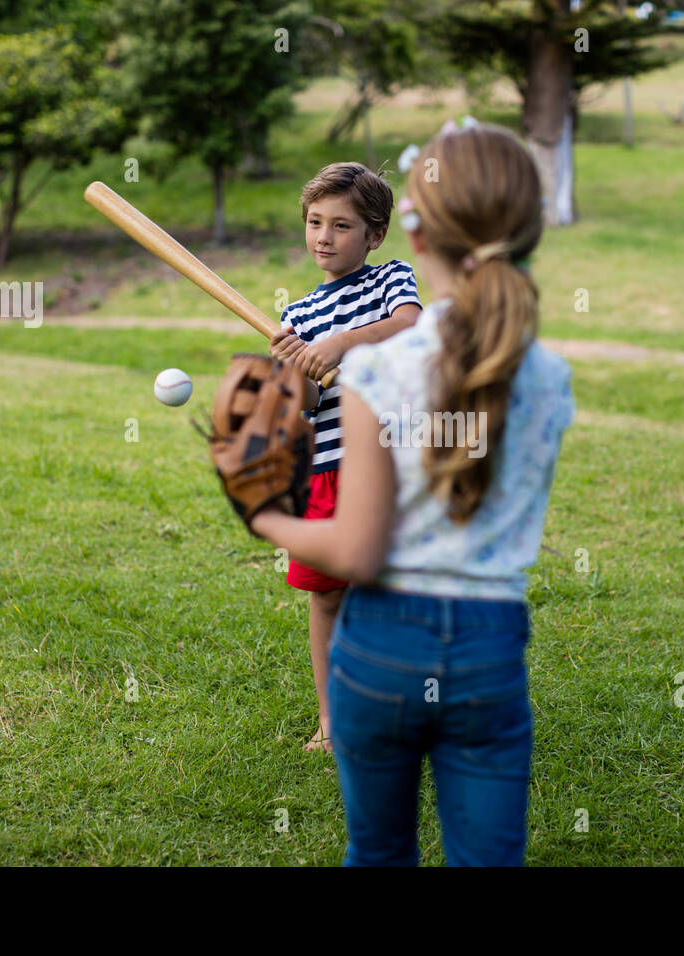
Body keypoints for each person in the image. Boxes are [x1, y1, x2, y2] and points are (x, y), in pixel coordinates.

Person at [251, 124, 575, 865]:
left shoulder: (378, 372)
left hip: (385, 652)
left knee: (379, 854)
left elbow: (355, 551)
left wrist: (265, 514)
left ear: (413, 235)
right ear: (528, 233)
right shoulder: (550, 380)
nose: (324, 235)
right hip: (492, 654)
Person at [269, 162, 422, 753]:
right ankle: (333, 721)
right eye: (313, 222)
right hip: (328, 471)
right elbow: (306, 401)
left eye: (340, 224)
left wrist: (336, 344)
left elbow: (409, 326)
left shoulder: (390, 281)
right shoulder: (298, 318)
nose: (323, 237)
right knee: (327, 594)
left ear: (374, 235)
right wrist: (293, 368)